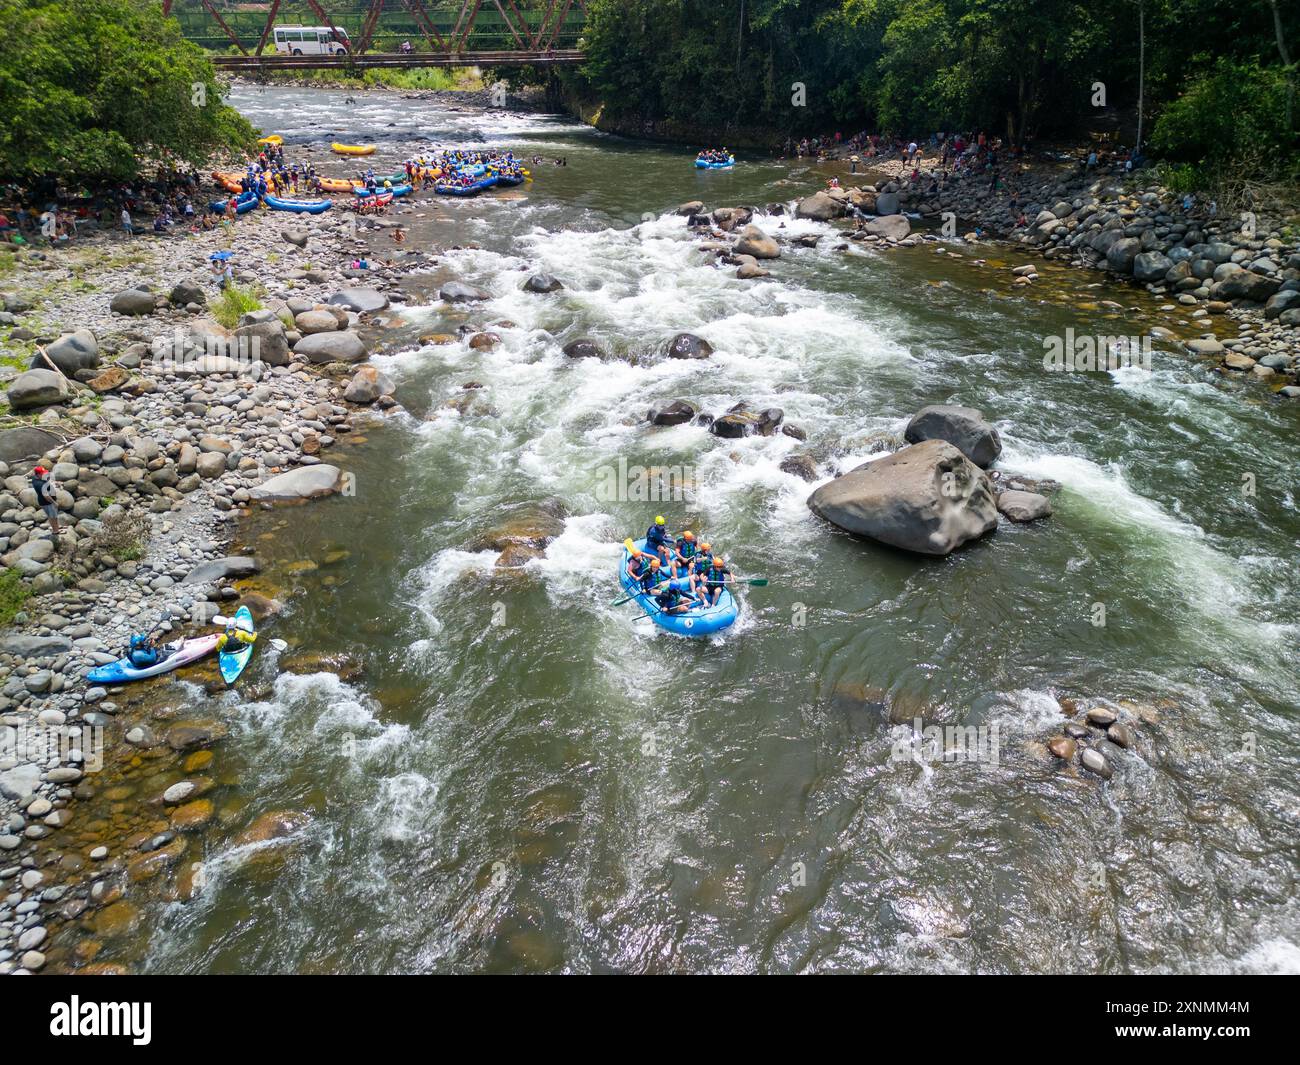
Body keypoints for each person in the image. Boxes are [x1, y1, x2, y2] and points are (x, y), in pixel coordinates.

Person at [30, 465, 60, 541]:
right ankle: (55, 531)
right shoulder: (39, 484)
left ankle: (56, 527)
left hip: (45, 502)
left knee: (53, 515)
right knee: (52, 516)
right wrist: (54, 503)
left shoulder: (35, 478)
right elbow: (46, 496)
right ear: (38, 475)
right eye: (43, 473)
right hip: (47, 503)